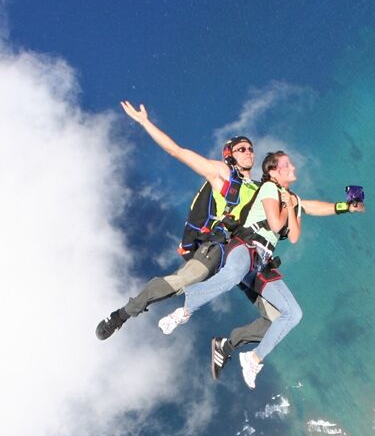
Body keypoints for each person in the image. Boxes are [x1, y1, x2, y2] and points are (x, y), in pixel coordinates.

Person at [157, 151, 364, 388]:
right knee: (232, 275)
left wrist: (345, 207)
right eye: (287, 164)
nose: (293, 166)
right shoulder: (268, 189)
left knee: (293, 314)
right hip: (244, 247)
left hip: (260, 263)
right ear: (274, 171)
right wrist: (287, 205)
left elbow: (295, 235)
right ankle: (184, 310)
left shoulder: (292, 199)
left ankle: (253, 358)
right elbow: (276, 224)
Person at [95, 102, 259, 340]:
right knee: (182, 280)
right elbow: (176, 151)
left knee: (282, 313)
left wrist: (335, 207)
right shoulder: (222, 174)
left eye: (250, 148)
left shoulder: (259, 188)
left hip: (242, 254)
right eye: (241, 149)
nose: (248, 152)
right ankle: (122, 314)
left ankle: (232, 346)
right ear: (229, 156)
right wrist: (145, 122)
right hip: (216, 249)